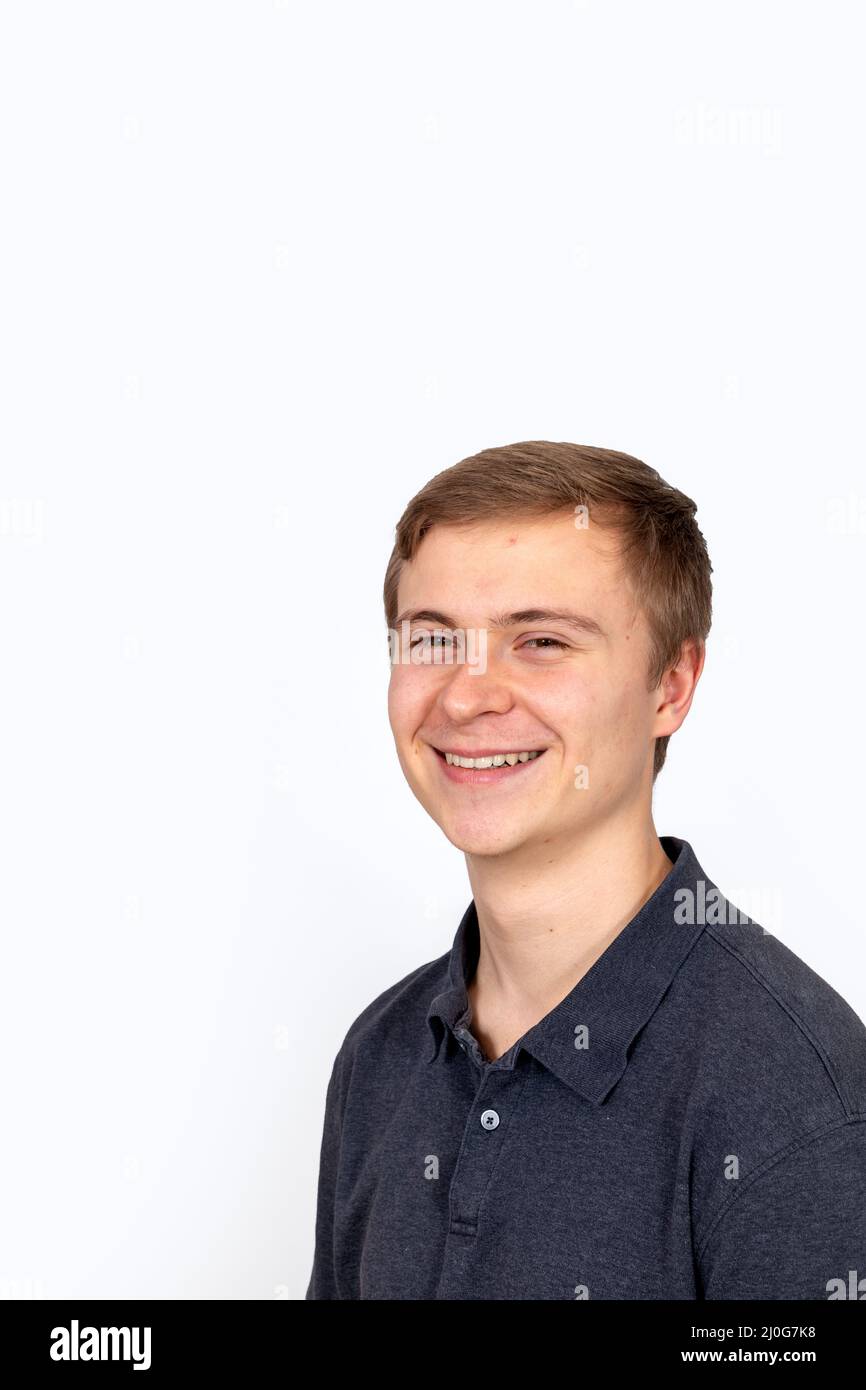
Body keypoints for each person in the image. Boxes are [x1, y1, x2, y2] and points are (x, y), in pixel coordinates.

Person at [305, 440, 866, 1300]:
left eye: (540, 641)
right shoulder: (380, 1056)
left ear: (670, 686)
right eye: (432, 640)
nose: (465, 695)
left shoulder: (794, 1095)